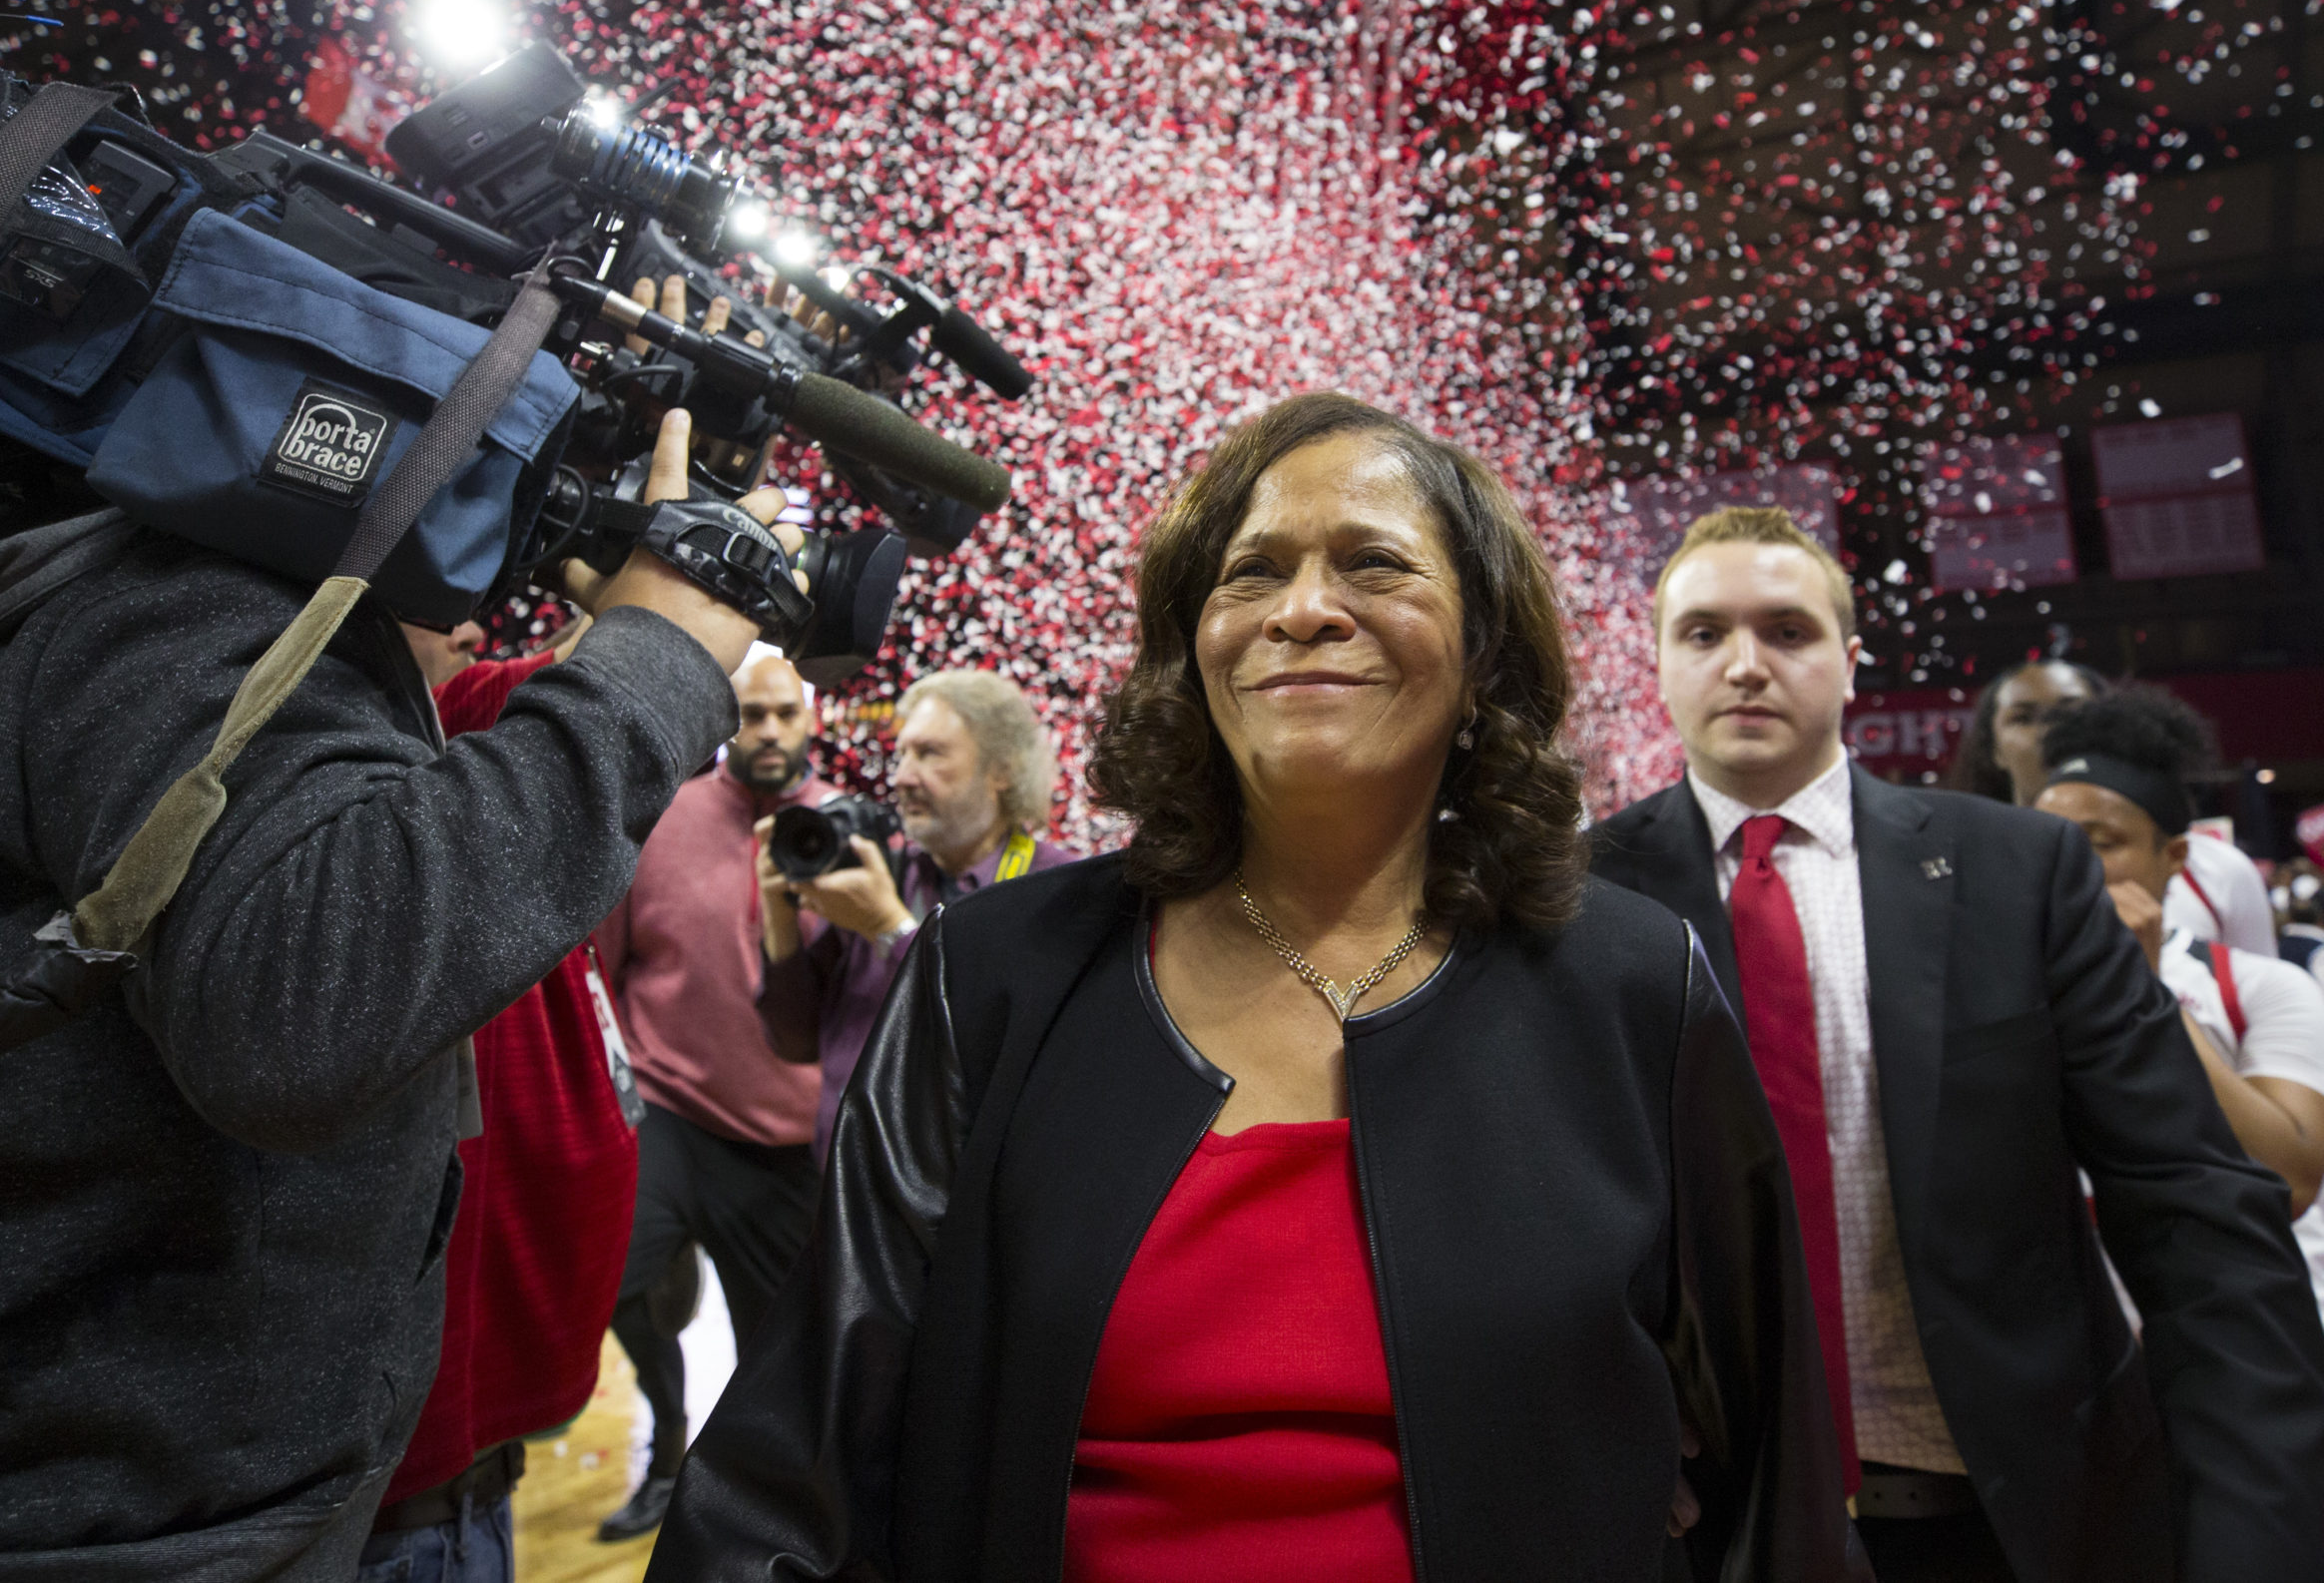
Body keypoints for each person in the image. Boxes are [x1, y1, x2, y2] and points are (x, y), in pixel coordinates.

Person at [652, 393, 1863, 1583]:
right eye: (1251, 573)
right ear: (1193, 646)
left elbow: (1775, 1497)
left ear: (1484, 645)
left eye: (1374, 563)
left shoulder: (1636, 984)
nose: (1305, 610)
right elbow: (788, 1468)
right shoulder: (991, 974)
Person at [0, 407, 794, 1579]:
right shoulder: (189, 613)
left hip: (162, 1493)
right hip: (108, 1521)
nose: (466, 610)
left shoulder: (58, 589)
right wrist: (651, 658)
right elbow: (309, 1012)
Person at [1592, 504, 2324, 1583]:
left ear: (1849, 663)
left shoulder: (2021, 872)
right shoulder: (1575, 896)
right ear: (1655, 663)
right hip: (1709, 1526)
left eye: (1786, 632)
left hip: (2023, 1513)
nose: (1744, 664)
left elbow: (2194, 1212)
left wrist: (2260, 1530)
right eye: (1704, 633)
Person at [352, 617, 647, 1581]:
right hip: (394, 1508)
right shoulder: (393, 778)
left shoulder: (463, 771)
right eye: (434, 592)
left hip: (474, 1466)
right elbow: (594, 665)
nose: (473, 622)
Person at [586, 648, 833, 1542]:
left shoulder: (844, 835)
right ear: (728, 723)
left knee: (786, 1346)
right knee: (602, 1286)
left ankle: (750, 1497)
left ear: (812, 722)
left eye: (784, 715)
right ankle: (666, 1446)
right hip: (667, 1114)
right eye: (752, 715)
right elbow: (608, 966)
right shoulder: (666, 817)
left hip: (783, 1138)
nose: (768, 732)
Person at [2031, 688, 2324, 1318]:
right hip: (2072, 1341)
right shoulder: (1997, 985)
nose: (2070, 866)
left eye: (2102, 842)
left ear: (2174, 857)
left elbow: (2290, 1180)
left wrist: (2141, 986)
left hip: (2250, 1325)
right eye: (2049, 841)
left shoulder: (2260, 988)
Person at [755, 669, 1077, 1165]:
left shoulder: (1056, 890)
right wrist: (779, 917)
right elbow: (795, 1043)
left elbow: (1000, 1051)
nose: (902, 776)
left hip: (962, 1197)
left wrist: (892, 930)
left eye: (930, 754)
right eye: (902, 753)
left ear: (1003, 770)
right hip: (842, 1185)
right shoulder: (885, 870)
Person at [1947, 659, 2279, 956]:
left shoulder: (2216, 869)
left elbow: (2262, 998)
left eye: (2070, 710)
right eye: (2023, 717)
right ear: (1995, 751)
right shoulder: (1964, 876)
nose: (2049, 728)